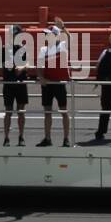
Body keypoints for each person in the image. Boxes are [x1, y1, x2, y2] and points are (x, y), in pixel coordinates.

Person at [36, 18, 72, 147]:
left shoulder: (62, 46)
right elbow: (39, 66)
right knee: (47, 112)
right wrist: (41, 77)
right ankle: (47, 138)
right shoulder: (43, 49)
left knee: (64, 111)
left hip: (59, 83)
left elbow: (69, 38)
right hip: (47, 84)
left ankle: (66, 139)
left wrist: (63, 27)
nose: (47, 36)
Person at [0, 24, 29, 147]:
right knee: (8, 112)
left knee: (21, 111)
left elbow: (27, 63)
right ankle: (6, 138)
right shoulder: (4, 49)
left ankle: (21, 136)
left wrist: (21, 68)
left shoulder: (23, 48)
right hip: (9, 83)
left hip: (20, 83)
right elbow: (0, 64)